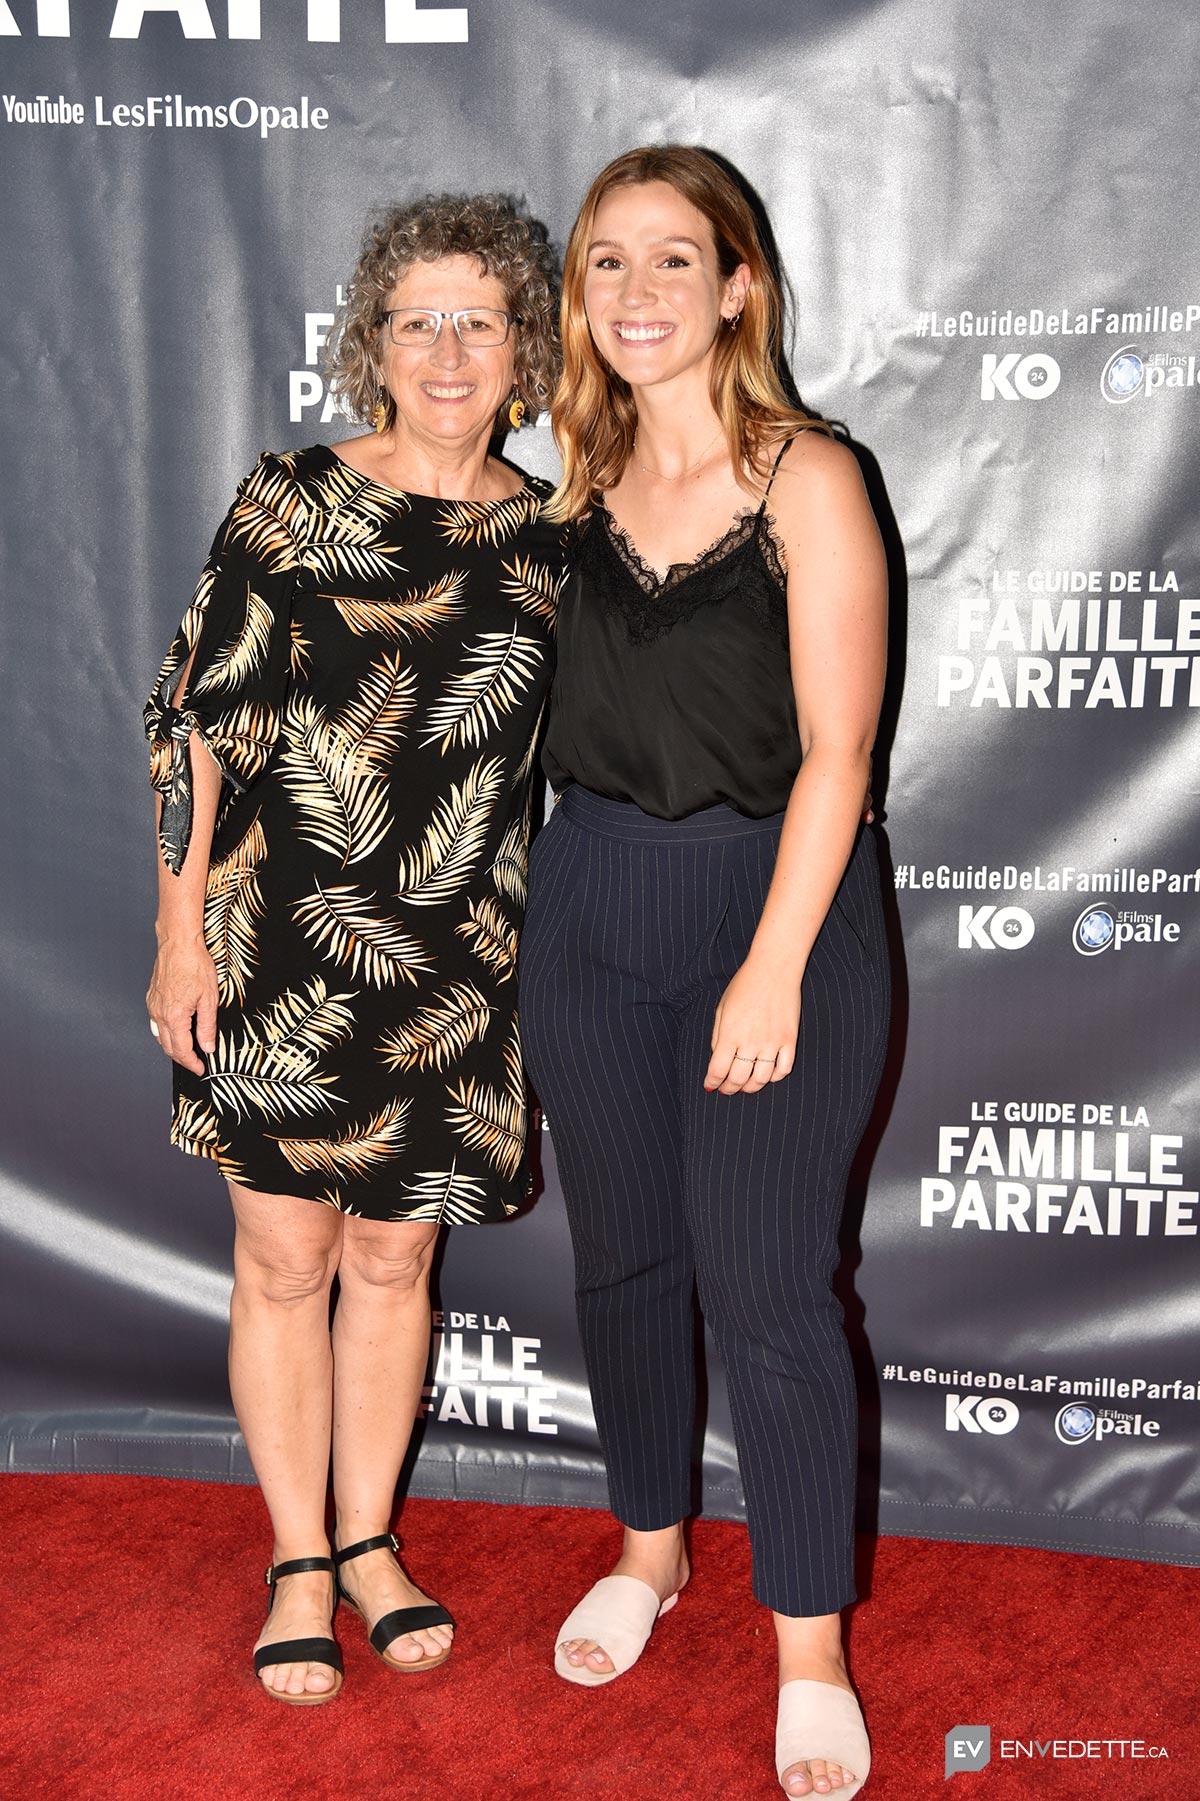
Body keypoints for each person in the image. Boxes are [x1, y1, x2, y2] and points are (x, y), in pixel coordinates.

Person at [144, 194, 565, 1703]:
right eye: (415, 320)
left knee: (394, 1263)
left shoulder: (551, 537)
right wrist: (179, 929)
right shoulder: (293, 498)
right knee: (283, 1256)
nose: (447, 350)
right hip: (277, 947)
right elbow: (196, 722)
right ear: (370, 343)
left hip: (459, 968)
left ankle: (373, 1536)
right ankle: (299, 1559)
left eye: (480, 317)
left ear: (525, 345)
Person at [519, 146, 889, 1798]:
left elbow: (838, 757)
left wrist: (774, 966)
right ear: (579, 299)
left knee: (766, 1286)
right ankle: (652, 1546)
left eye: (677, 261)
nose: (641, 293)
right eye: (609, 263)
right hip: (589, 907)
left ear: (740, 286)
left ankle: (809, 1637)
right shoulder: (562, 485)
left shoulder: (811, 476)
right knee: (627, 1267)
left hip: (776, 910)